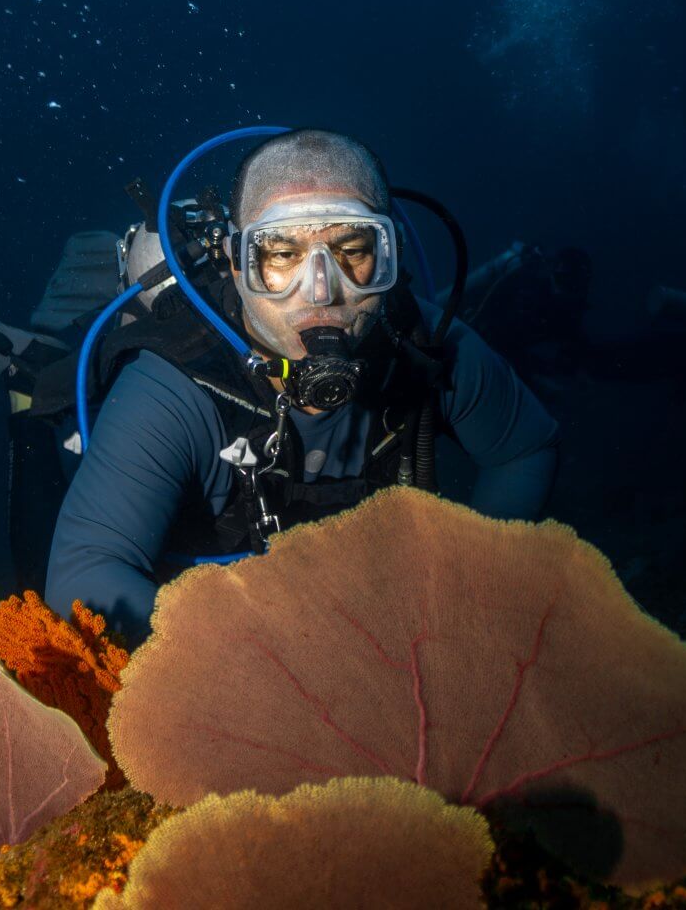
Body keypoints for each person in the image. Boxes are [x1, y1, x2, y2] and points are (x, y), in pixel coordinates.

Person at [44, 129, 561, 645]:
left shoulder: (428, 348)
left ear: (390, 256)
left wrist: (464, 593)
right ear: (235, 262)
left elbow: (525, 448)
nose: (321, 291)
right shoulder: (173, 384)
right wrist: (282, 664)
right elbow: (85, 574)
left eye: (352, 248)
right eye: (281, 255)